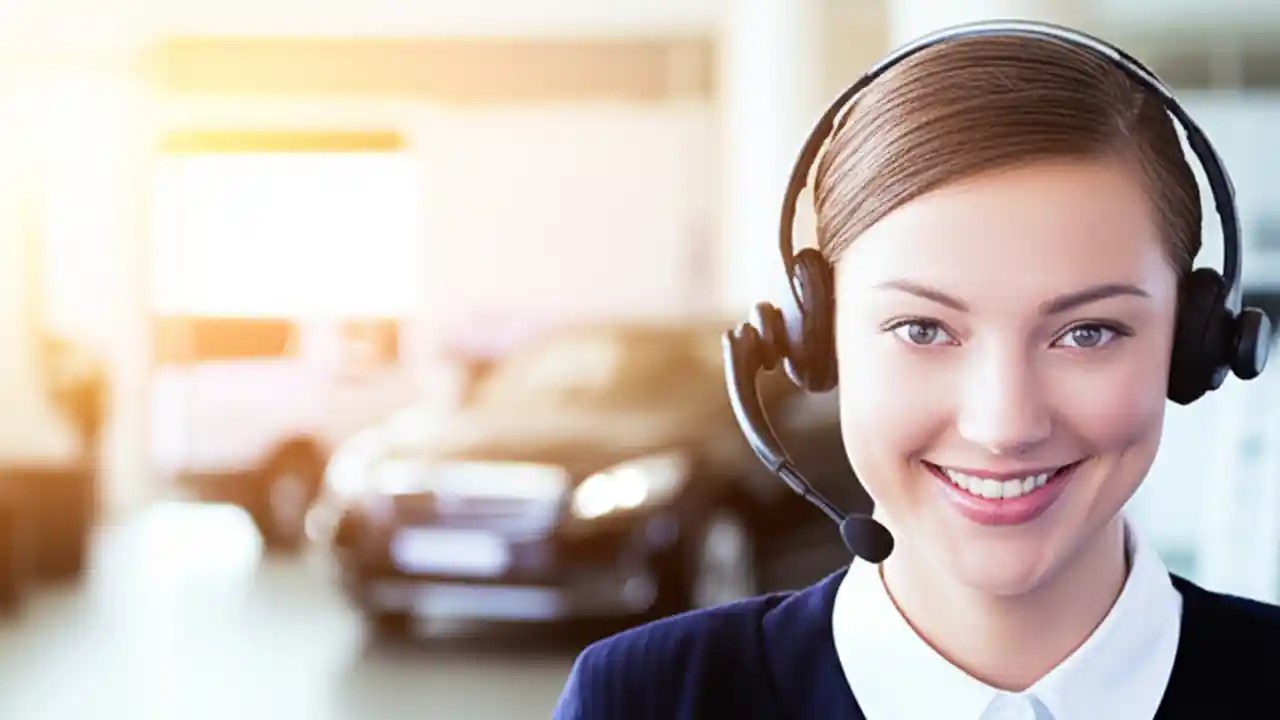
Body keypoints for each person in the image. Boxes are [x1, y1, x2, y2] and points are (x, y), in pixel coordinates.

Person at [552, 20, 1280, 720]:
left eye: (1086, 332)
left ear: (1194, 342)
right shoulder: (642, 699)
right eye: (922, 328)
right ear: (819, 343)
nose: (1004, 425)